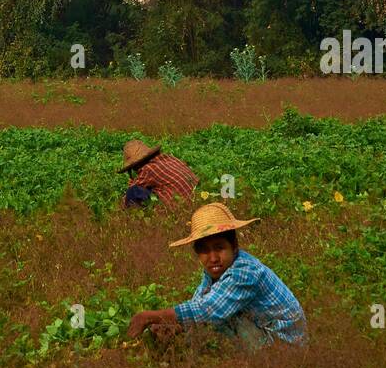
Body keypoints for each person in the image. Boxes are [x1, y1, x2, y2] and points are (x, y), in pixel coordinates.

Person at [127, 203, 306, 348]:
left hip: (285, 344)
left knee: (216, 321)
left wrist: (150, 316)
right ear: (197, 253)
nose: (213, 258)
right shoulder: (216, 270)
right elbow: (200, 301)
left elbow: (209, 310)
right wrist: (175, 325)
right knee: (200, 325)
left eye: (219, 248)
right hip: (263, 332)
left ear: (234, 245)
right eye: (205, 251)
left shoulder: (245, 271)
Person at [119, 138, 198, 208]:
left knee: (133, 191)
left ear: (136, 165)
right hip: (196, 196)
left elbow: (129, 195)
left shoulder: (148, 169)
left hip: (177, 204)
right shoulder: (168, 157)